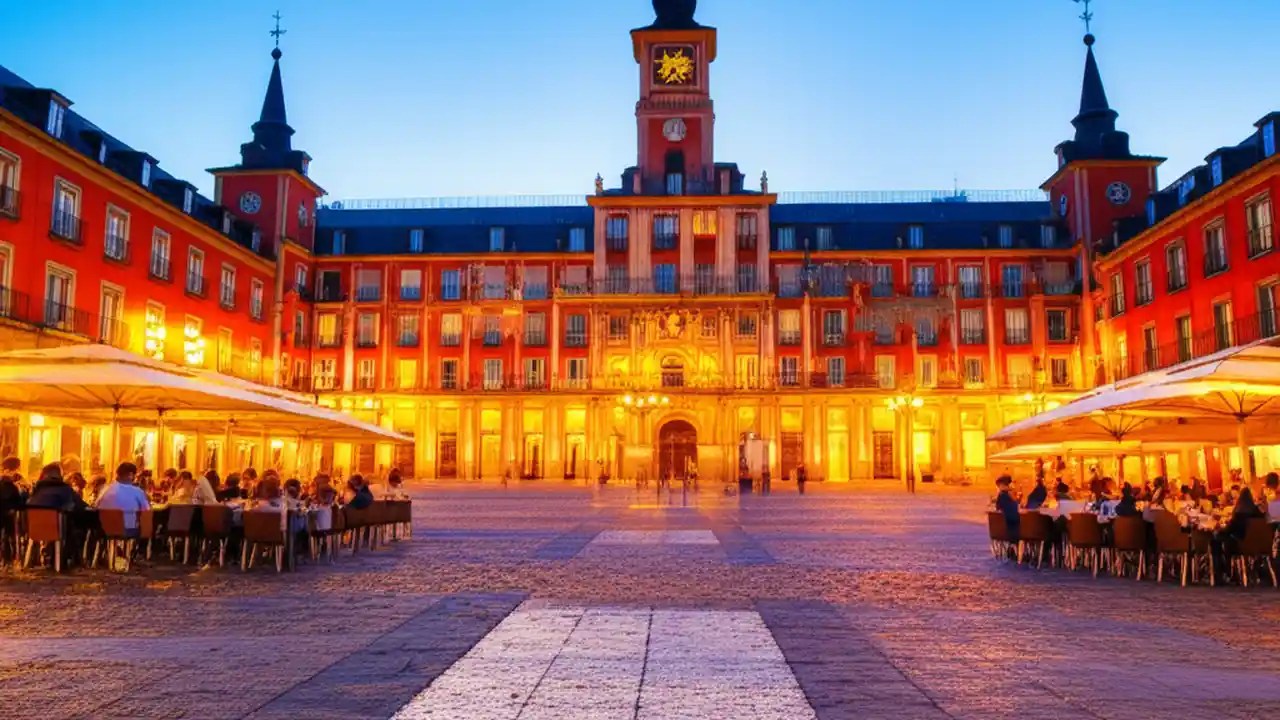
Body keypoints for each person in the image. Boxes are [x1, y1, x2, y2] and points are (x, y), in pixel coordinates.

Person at [96, 462, 151, 535]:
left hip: (104, 530)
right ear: (131, 475)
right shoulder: (137, 491)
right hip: (128, 530)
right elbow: (147, 511)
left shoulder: (104, 490)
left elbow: (97, 507)